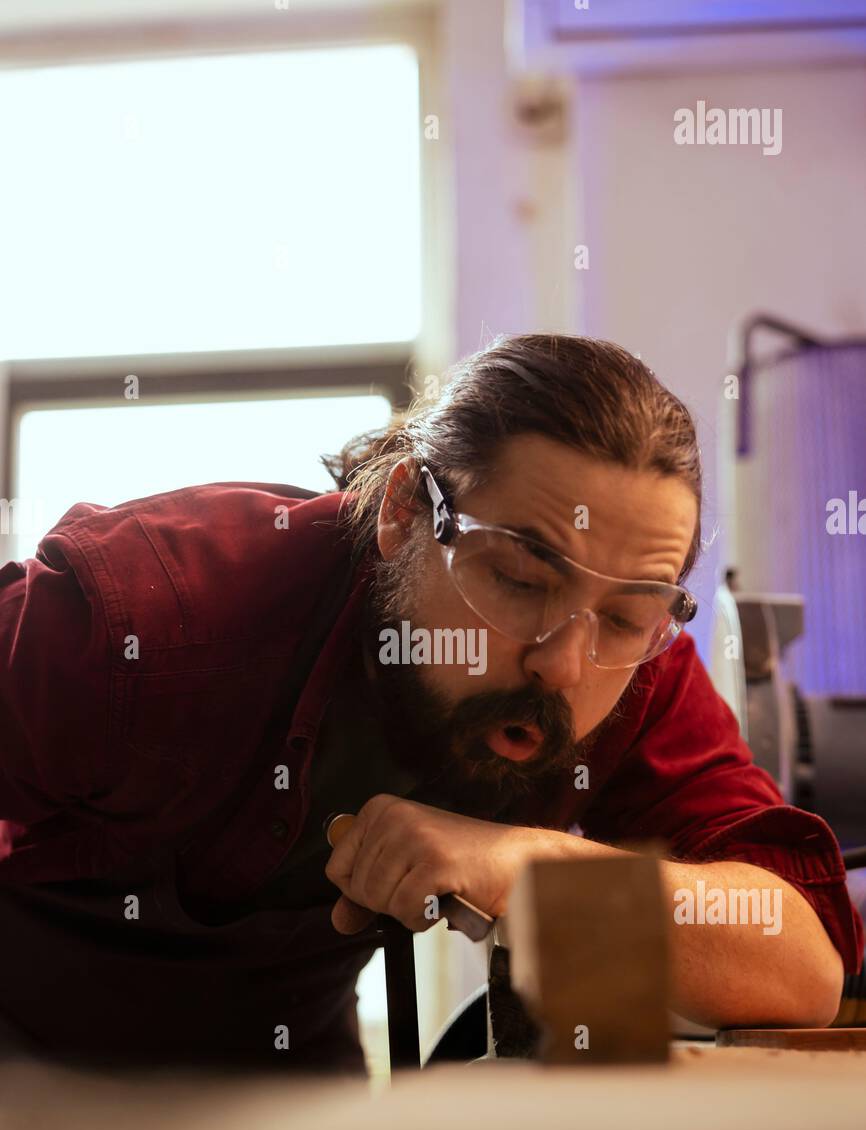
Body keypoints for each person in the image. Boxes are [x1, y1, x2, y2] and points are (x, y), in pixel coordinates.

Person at [0, 335, 860, 1075]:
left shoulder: (630, 672)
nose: (563, 665)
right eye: (521, 580)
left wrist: (526, 869)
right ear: (407, 511)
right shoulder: (152, 618)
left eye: (627, 615)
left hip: (280, 1097)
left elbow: (800, 964)